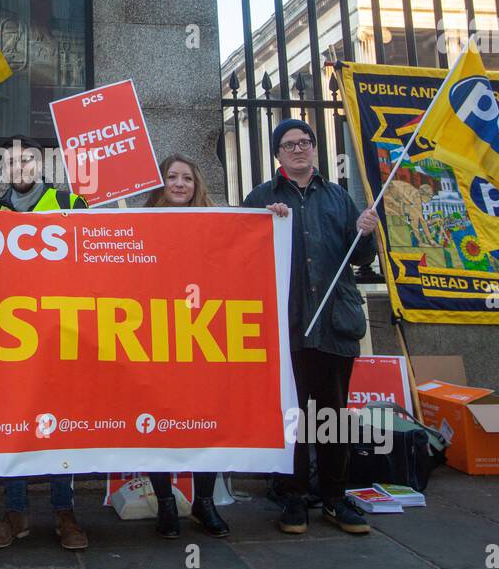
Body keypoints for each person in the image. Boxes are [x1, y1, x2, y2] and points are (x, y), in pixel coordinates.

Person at [243, 118, 379, 536]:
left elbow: (360, 259)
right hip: (287, 326)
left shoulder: (339, 197)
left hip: (334, 325)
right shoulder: (262, 198)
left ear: (315, 149)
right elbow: (243, 258)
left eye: (304, 142)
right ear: (277, 154)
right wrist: (265, 224)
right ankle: (294, 497)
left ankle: (336, 499)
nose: (298, 150)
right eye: (288, 145)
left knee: (332, 415)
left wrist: (368, 234)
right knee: (292, 417)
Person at [0, 136, 90, 551]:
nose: (19, 166)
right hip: (10, 341)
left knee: (59, 424)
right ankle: (15, 513)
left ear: (40, 165)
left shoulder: (70, 203)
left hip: (60, 335)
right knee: (14, 426)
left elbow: (93, 257)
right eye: (10, 161)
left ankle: (65, 513)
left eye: (27, 159)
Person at [139, 153, 231, 539]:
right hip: (153, 337)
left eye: (187, 179)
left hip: (200, 337)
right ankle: (165, 503)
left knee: (205, 418)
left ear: (197, 186)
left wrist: (273, 217)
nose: (179, 184)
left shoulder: (218, 224)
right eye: (172, 177)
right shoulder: (138, 224)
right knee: (157, 419)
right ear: (160, 184)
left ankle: (203, 503)